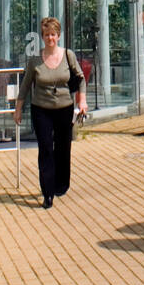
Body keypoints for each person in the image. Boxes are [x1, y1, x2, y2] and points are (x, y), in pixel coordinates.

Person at [14, 17, 87, 209]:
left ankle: (61, 184)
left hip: (64, 108)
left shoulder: (68, 55)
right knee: (46, 149)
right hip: (42, 110)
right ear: (42, 37)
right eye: (46, 35)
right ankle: (47, 193)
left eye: (53, 34)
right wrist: (18, 108)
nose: (50, 38)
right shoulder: (35, 61)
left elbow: (80, 79)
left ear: (59, 36)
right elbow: (25, 86)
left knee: (63, 148)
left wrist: (82, 100)